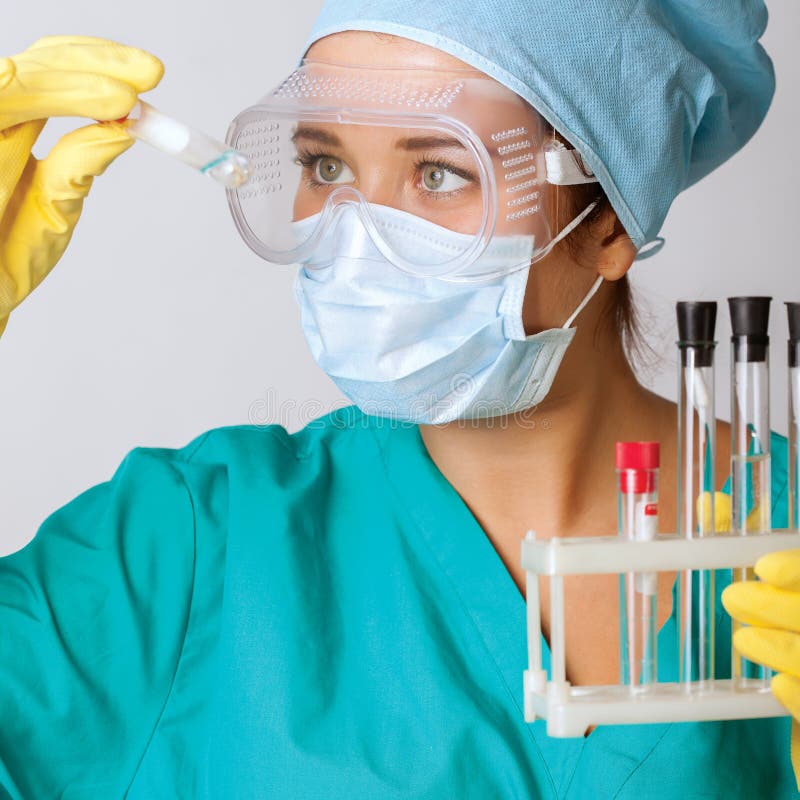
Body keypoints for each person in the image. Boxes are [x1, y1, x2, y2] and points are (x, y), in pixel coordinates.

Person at [0, 2, 798, 798]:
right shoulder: (194, 539)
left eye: (439, 173)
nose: (357, 232)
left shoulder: (786, 548)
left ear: (611, 225)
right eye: (326, 167)